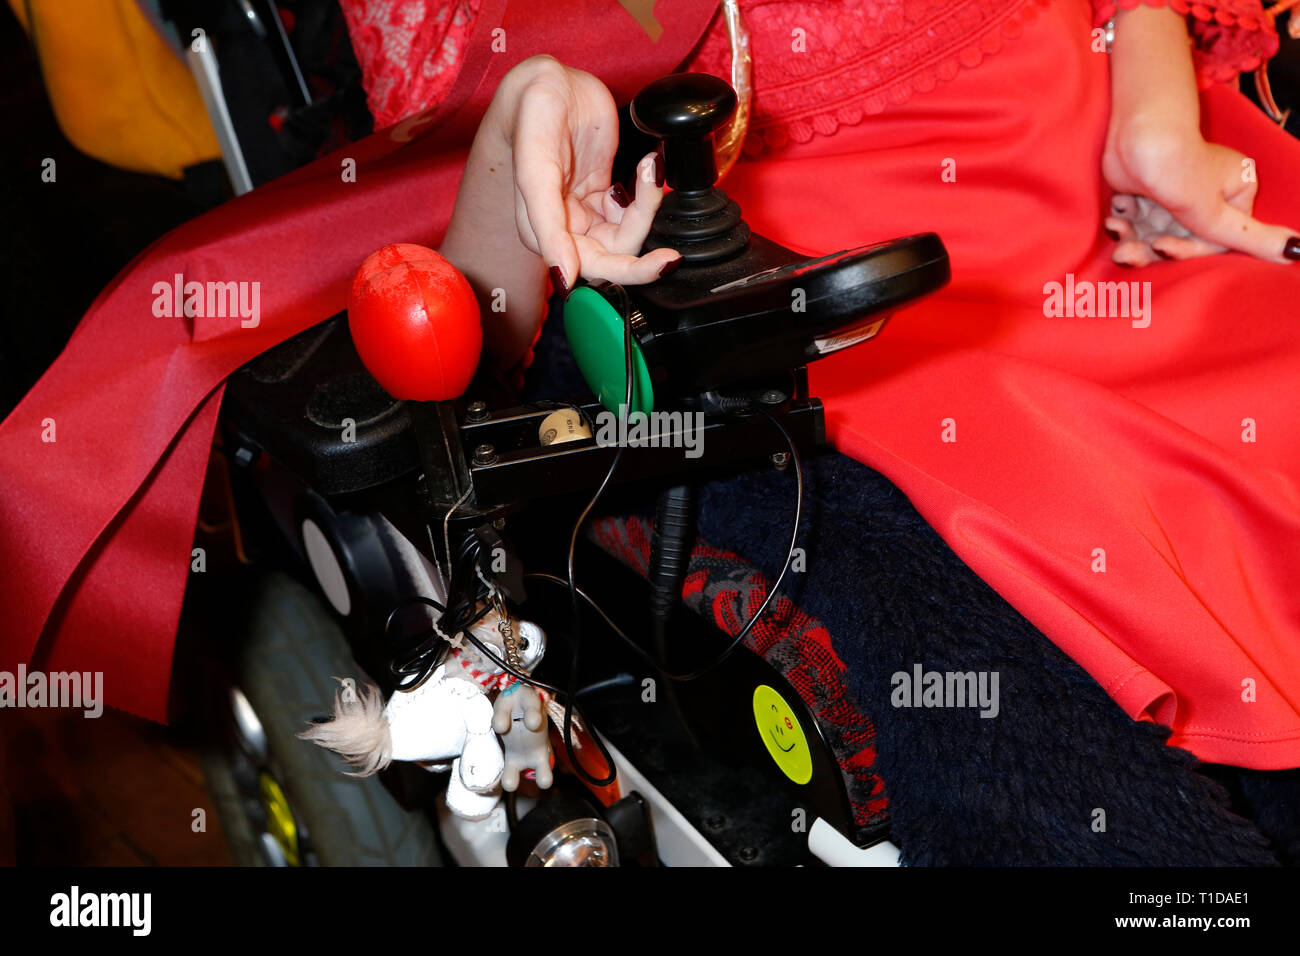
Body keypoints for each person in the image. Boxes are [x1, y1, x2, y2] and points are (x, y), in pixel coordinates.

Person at [2, 0, 1297, 778]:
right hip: (824, 308)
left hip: (1136, 208)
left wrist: (1151, 100)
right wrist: (524, 127)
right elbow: (483, 289)